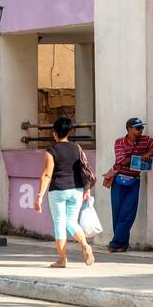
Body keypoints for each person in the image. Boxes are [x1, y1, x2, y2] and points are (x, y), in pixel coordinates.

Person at [34, 115, 95, 268]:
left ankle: (62, 259)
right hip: (77, 190)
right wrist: (87, 189)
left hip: (58, 190)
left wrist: (39, 196)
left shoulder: (52, 151)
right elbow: (84, 169)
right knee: (71, 222)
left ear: (54, 133)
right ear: (69, 132)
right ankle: (85, 245)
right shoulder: (77, 148)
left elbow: (47, 174)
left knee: (59, 223)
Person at [104, 116, 153, 253]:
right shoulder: (119, 142)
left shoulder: (145, 140)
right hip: (118, 180)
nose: (141, 130)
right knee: (117, 214)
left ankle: (115, 243)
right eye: (138, 128)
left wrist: (150, 152)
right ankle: (122, 244)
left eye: (142, 127)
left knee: (128, 214)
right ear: (129, 129)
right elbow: (121, 161)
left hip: (134, 180)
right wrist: (140, 155)